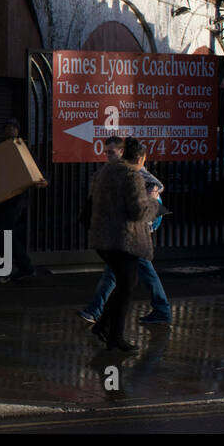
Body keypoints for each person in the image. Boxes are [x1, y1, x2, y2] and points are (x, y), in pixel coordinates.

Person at [79, 137, 171, 326]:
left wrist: (151, 200)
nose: (108, 156)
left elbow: (153, 190)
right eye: (108, 152)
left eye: (112, 152)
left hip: (135, 230)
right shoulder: (119, 172)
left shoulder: (134, 173)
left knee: (127, 273)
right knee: (117, 272)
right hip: (129, 231)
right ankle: (97, 312)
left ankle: (99, 313)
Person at [0, 118, 44, 282]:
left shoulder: (23, 149)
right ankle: (20, 266)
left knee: (6, 233)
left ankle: (21, 266)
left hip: (16, 200)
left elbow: (38, 171)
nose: (10, 131)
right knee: (5, 233)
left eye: (13, 128)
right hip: (2, 199)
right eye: (8, 128)